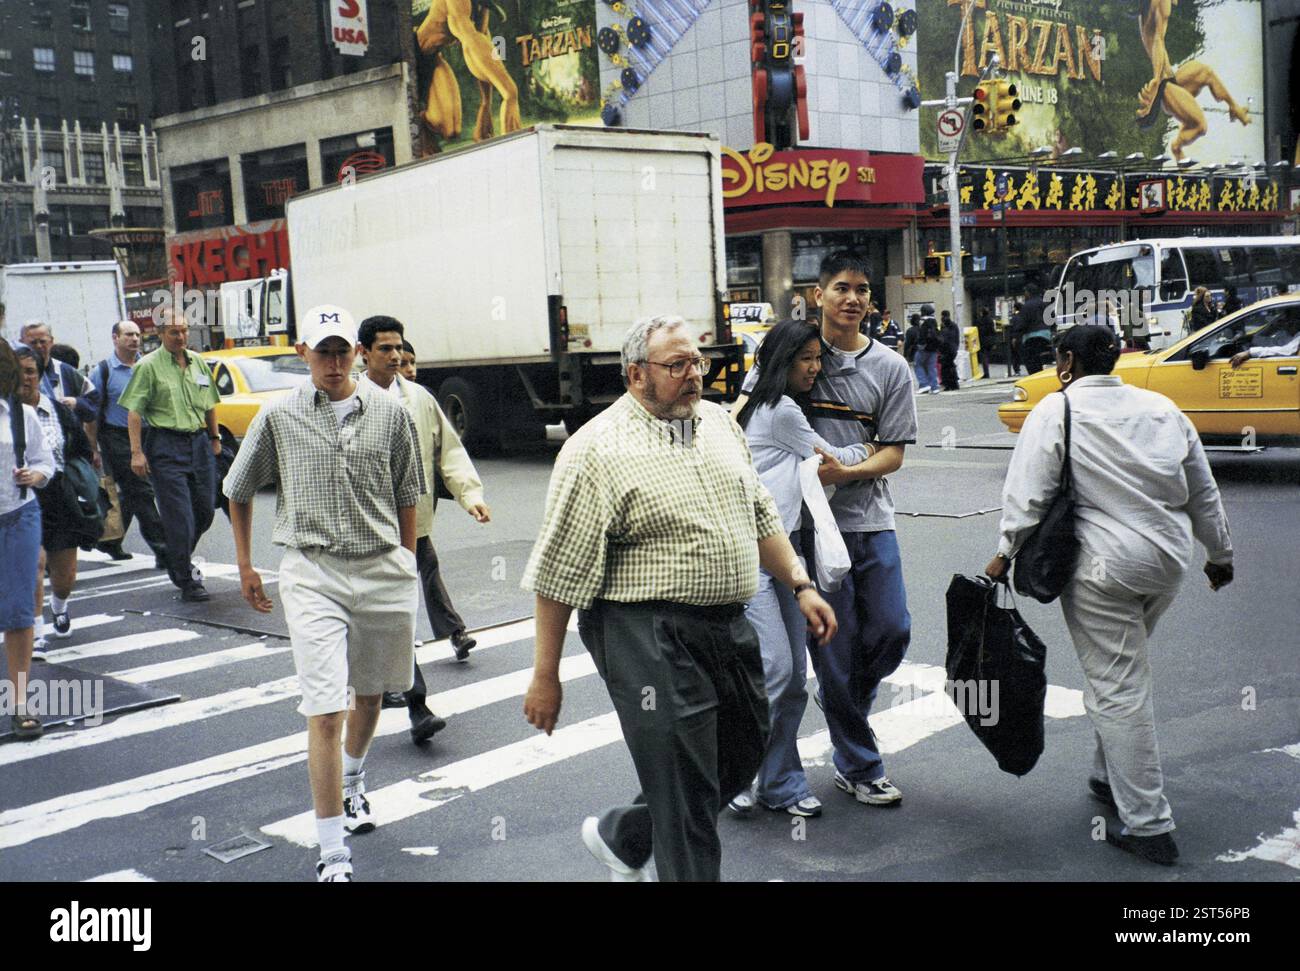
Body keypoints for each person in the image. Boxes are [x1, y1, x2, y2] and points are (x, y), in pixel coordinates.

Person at [521, 314, 836, 882]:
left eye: (698, 362)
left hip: (727, 623)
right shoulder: (595, 450)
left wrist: (800, 583)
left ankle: (627, 835)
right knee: (689, 793)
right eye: (677, 366)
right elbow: (557, 573)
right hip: (645, 631)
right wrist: (546, 673)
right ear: (636, 375)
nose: (695, 375)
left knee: (744, 748)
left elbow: (759, 513)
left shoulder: (719, 422)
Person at [986, 325, 1233, 866]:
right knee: (1119, 672)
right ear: (1117, 358)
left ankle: (1148, 825)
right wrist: (1221, 555)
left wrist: (1004, 553)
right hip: (1167, 562)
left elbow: (1027, 495)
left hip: (1104, 568)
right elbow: (1203, 490)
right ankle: (1107, 776)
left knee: (1117, 685)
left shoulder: (1057, 410)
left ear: (1067, 359)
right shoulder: (1162, 408)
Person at [224, 304, 426, 883]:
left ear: (355, 355)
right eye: (323, 351)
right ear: (304, 355)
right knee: (324, 708)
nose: (334, 362)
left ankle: (355, 779)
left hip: (382, 568)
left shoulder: (390, 413)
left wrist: (407, 566)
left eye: (342, 351)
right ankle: (332, 849)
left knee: (371, 696)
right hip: (312, 573)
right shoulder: (279, 416)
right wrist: (244, 564)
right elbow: (238, 488)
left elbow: (407, 492)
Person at [735, 252, 919, 812]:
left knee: (891, 632)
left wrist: (850, 469)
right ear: (819, 294)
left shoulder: (890, 368)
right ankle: (859, 764)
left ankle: (841, 706)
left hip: (869, 521)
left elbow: (893, 452)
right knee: (831, 653)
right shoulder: (791, 351)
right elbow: (746, 410)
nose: (853, 298)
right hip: (805, 533)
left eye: (863, 289)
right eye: (841, 287)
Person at [730, 319, 872, 818]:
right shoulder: (781, 409)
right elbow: (831, 457)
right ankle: (745, 771)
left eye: (818, 359)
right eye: (804, 359)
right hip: (756, 555)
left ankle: (775, 780)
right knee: (780, 671)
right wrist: (871, 448)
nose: (814, 368)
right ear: (781, 362)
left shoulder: (754, 402)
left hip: (783, 552)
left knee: (789, 678)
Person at [356, 316, 489, 744]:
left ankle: (410, 699)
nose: (395, 357)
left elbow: (448, 451)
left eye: (399, 349)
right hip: (366, 528)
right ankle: (414, 701)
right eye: (385, 349)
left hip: (413, 523)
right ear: (364, 353)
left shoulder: (419, 397)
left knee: (400, 607)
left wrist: (470, 495)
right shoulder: (347, 399)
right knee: (391, 614)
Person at [117, 309, 222, 602]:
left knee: (205, 509)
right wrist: (136, 453)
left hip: (198, 443)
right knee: (179, 517)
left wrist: (214, 438)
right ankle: (186, 579)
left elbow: (210, 402)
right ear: (161, 334)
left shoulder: (198, 361)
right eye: (174, 332)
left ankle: (177, 557)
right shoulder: (148, 367)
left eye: (185, 331)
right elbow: (134, 412)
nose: (181, 337)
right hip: (165, 445)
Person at [13, 346, 94, 643]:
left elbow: (81, 450)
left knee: (65, 575)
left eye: (31, 372)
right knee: (34, 562)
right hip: (18, 499)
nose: (25, 378)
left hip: (58, 495)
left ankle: (59, 606)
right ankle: (36, 631)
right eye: (17, 372)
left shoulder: (58, 410)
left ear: (39, 375)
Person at [1, 342, 56, 740]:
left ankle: (19, 703)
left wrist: (36, 476)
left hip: (19, 516)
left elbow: (44, 461)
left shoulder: (19, 415)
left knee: (19, 610)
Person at [81, 320, 169, 568]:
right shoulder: (103, 372)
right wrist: (93, 448)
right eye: (128, 334)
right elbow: (92, 413)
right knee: (141, 491)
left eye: (138, 334)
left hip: (150, 435)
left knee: (132, 492)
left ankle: (111, 540)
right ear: (115, 338)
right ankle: (164, 550)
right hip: (117, 437)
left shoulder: (149, 366)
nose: (134, 339)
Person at [19, 322, 90, 415]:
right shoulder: (12, 372)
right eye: (33, 342)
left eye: (42, 341)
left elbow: (93, 399)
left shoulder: (64, 370)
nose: (38, 346)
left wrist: (77, 402)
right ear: (21, 343)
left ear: (51, 341)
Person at [1229, 309, 1300, 367]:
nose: (1287, 323)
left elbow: (1286, 350)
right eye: (1287, 320)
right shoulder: (1287, 334)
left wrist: (1250, 352)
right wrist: (1252, 339)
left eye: (1293, 320)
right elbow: (1275, 343)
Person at [1013, 282, 1053, 374]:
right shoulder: (1045, 304)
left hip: (1031, 337)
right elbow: (1052, 318)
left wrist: (1016, 336)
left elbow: (1022, 323)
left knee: (1031, 360)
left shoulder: (1026, 306)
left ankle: (1035, 375)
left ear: (1028, 293)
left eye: (1025, 292)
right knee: (1045, 357)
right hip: (1046, 335)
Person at [913, 304, 941, 394]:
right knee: (931, 367)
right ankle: (934, 387)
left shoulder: (923, 321)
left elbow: (922, 334)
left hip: (924, 347)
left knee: (917, 364)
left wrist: (920, 345)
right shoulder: (934, 321)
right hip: (934, 348)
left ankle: (924, 384)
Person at [939, 310, 962, 391]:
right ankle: (953, 383)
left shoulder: (946, 326)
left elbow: (945, 338)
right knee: (950, 365)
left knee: (946, 367)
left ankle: (949, 384)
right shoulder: (953, 325)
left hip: (947, 349)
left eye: (942, 316)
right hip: (953, 349)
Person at [975, 306, 996, 379]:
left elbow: (978, 331)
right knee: (987, 356)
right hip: (989, 340)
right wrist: (994, 342)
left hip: (982, 340)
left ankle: (986, 373)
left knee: (984, 357)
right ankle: (986, 372)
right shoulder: (990, 320)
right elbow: (993, 331)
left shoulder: (979, 321)